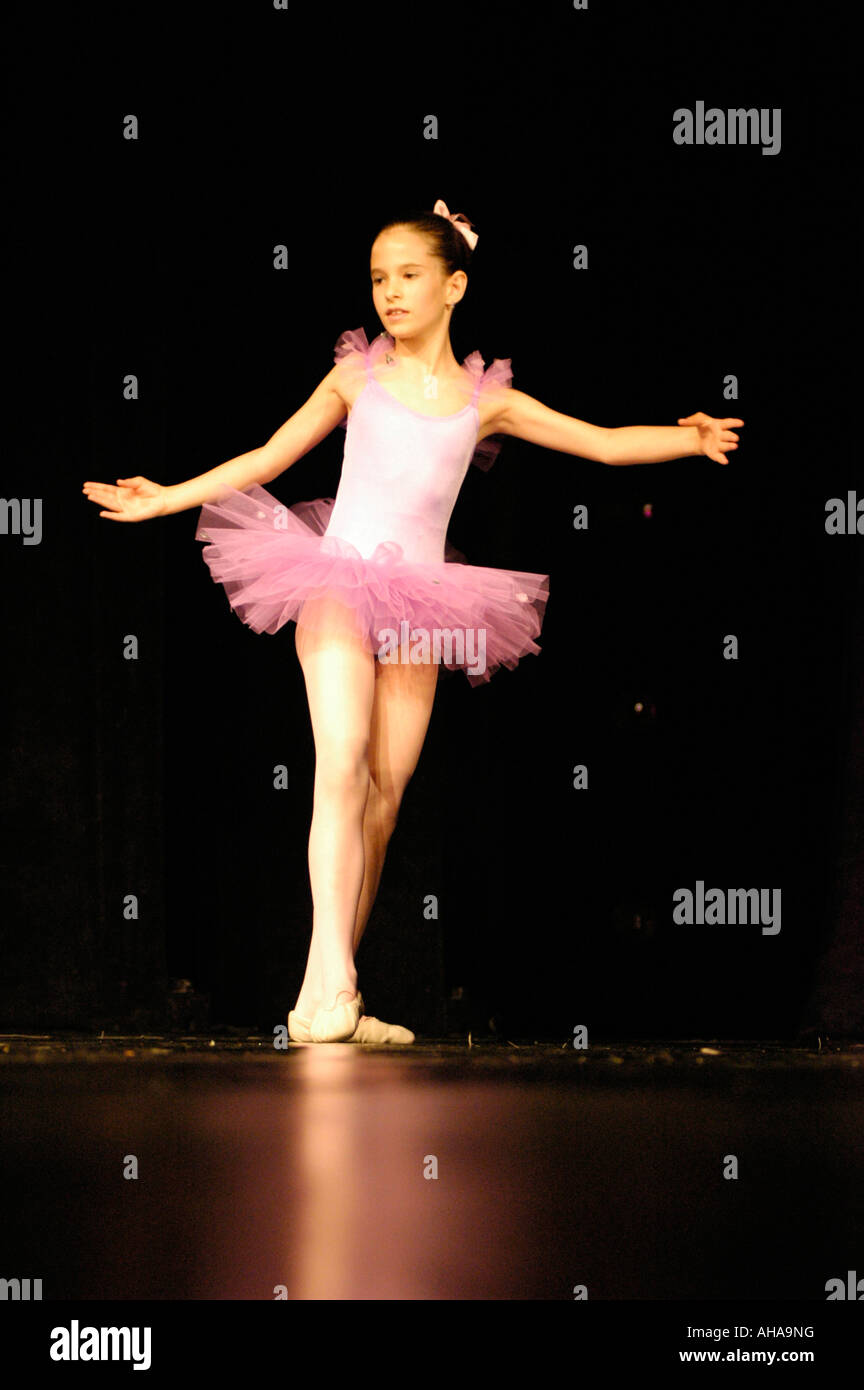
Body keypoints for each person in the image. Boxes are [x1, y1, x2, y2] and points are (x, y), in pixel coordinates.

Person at [82, 198, 743, 1044]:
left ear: (453, 286)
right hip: (334, 579)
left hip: (427, 600)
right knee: (342, 764)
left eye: (408, 277)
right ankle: (324, 988)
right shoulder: (358, 376)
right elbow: (268, 456)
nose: (389, 294)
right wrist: (166, 498)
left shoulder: (484, 401)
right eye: (377, 279)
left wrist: (686, 440)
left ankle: (337, 994)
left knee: (386, 798)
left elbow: (603, 442)